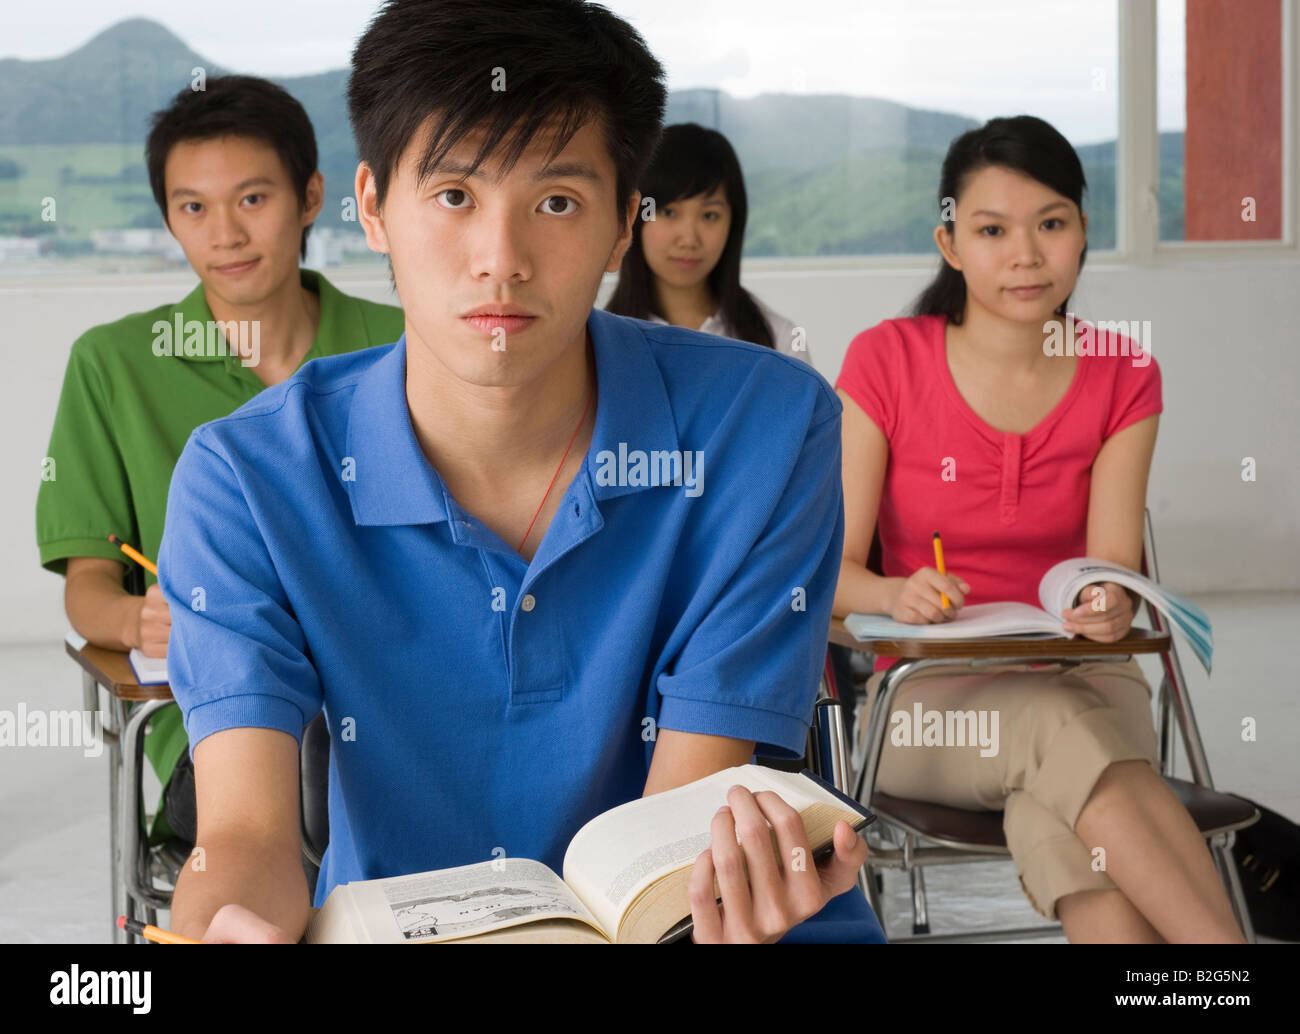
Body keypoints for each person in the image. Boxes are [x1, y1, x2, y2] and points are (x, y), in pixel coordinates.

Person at [159, 0, 879, 944]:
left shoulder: (767, 428)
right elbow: (244, 833)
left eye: (556, 202)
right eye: (455, 196)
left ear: (624, 223)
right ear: (374, 207)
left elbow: (681, 841)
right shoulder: (246, 478)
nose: (501, 262)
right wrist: (229, 927)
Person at [833, 114, 1243, 943]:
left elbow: (1113, 569)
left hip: (1091, 686)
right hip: (928, 708)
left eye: (1051, 224)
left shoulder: (1125, 374)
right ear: (950, 243)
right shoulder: (886, 362)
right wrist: (893, 592)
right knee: (1059, 740)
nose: (1025, 254)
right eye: (992, 230)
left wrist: (1105, 602)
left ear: (1083, 232)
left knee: (1051, 813)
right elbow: (829, 574)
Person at [35, 75, 405, 852]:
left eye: (252, 199)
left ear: (310, 198)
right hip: (216, 731)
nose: (225, 235)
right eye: (192, 207)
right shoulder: (113, 364)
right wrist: (140, 617)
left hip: (404, 694)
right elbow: (89, 589)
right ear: (168, 218)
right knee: (333, 802)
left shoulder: (404, 340)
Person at [606, 123, 807, 361]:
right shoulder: (595, 342)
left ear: (733, 223)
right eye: (669, 212)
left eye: (710, 215)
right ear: (636, 215)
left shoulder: (779, 341)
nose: (689, 239)